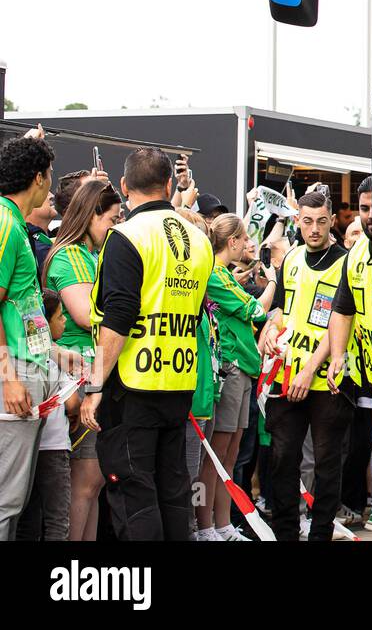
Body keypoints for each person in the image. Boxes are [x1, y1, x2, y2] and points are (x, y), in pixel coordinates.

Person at [80, 147, 216, 541]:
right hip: (179, 379)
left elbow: (118, 316)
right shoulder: (199, 240)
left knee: (133, 490)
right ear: (169, 185)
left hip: (131, 383)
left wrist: (95, 386)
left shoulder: (126, 236)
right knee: (172, 489)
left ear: (124, 186)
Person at [256, 190, 350, 541]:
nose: (314, 229)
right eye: (307, 221)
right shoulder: (292, 258)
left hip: (327, 379)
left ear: (331, 221)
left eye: (322, 222)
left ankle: (321, 533)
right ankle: (285, 533)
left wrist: (310, 369)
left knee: (326, 461)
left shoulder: (345, 263)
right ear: (298, 221)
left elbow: (341, 320)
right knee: (282, 458)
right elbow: (281, 308)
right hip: (287, 375)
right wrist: (270, 328)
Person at [42, 178, 122, 540]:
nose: (114, 228)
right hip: (79, 372)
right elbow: (87, 315)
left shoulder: (91, 254)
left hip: (95, 370)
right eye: (111, 220)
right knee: (85, 480)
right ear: (91, 215)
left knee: (95, 480)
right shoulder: (70, 255)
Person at [193, 214, 279, 541]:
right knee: (215, 457)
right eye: (244, 238)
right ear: (232, 241)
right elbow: (256, 310)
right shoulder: (215, 274)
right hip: (230, 368)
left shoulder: (224, 274)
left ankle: (222, 524)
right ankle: (205, 526)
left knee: (230, 455)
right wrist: (273, 281)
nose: (248, 244)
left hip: (244, 367)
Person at [0, 132, 64, 541]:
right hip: (15, 374)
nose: (51, 184)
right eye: (50, 174)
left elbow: (20, 306)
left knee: (14, 499)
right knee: (5, 500)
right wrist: (9, 377)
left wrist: (53, 353)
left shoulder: (12, 222)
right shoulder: (5, 223)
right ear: (38, 177)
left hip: (28, 366)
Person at [326, 177, 372, 530]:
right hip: (366, 372)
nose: (369, 215)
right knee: (363, 444)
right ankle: (364, 504)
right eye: (363, 209)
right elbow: (342, 310)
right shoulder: (356, 253)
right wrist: (337, 357)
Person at [15, 288, 73, 540]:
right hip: (54, 448)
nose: (65, 321)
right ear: (45, 324)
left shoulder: (18, 358)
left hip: (23, 448)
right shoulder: (57, 360)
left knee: (25, 519)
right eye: (60, 316)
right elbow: (73, 404)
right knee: (57, 521)